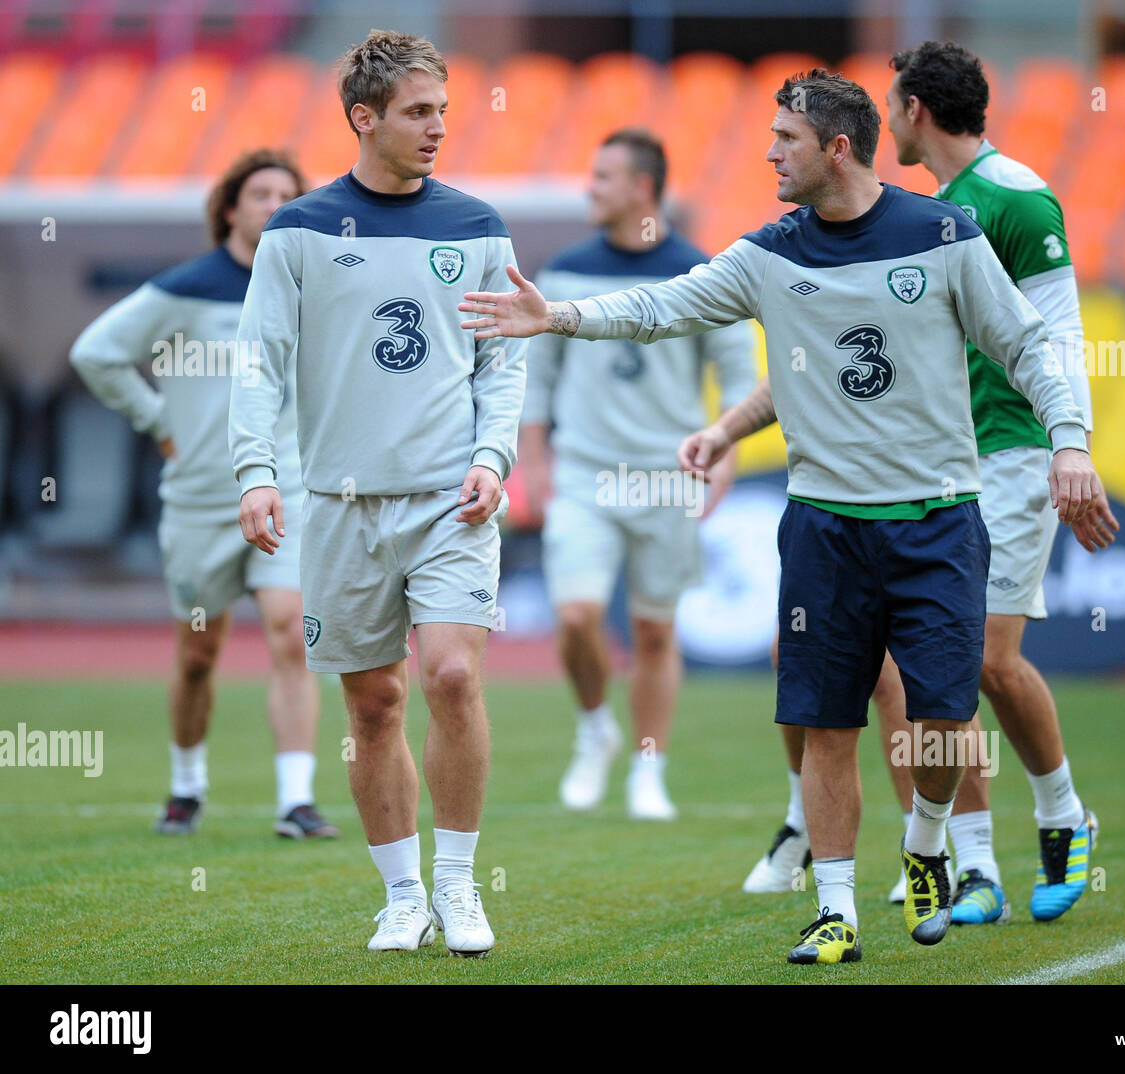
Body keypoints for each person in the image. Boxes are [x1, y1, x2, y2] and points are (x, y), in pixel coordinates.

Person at [460, 69, 1100, 963]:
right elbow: (660, 306)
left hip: (940, 521)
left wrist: (1068, 440)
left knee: (945, 720)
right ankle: (834, 908)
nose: (768, 152)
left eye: (786, 139)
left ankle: (925, 847)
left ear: (837, 147)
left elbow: (1028, 345)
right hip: (823, 526)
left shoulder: (945, 232)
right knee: (829, 719)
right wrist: (555, 315)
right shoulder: (770, 252)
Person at [745, 41, 1115, 927]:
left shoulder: (1013, 197)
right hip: (932, 460)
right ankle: (967, 861)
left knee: (984, 658)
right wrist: (730, 428)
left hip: (1015, 451)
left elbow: (1047, 334)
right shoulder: (915, 214)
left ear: (911, 112)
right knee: (915, 679)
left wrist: (1074, 444)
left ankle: (1064, 818)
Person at [230, 30, 525, 956]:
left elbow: (505, 361)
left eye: (443, 109)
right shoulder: (301, 231)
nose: (440, 127)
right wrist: (255, 470)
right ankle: (402, 896)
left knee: (448, 674)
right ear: (366, 118)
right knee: (372, 707)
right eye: (419, 112)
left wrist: (494, 457)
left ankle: (460, 885)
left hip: (451, 498)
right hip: (340, 505)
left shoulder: (477, 225)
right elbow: (259, 362)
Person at [71, 149, 337, 841]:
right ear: (229, 207)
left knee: (291, 630)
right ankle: (187, 788)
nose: (275, 204)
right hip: (198, 502)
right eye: (262, 193)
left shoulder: (310, 289)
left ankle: (296, 801)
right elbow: (95, 353)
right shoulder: (185, 288)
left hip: (287, 495)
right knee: (198, 653)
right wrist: (158, 420)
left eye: (288, 194)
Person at [520, 128, 756, 820]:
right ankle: (596, 729)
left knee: (655, 631)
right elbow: (538, 380)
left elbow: (741, 380)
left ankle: (648, 769)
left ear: (644, 189)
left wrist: (726, 459)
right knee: (576, 615)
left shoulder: (705, 273)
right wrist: (534, 460)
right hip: (586, 473)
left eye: (603, 177)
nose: (589, 189)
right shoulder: (562, 272)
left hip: (668, 473)